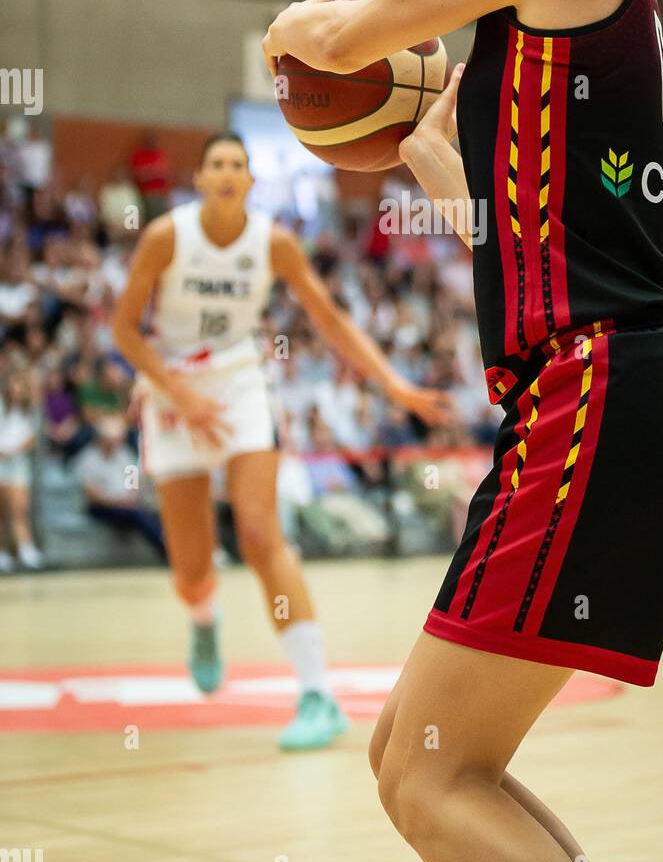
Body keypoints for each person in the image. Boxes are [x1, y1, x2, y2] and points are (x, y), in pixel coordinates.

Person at [264, 0, 663, 862]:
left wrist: (291, 39)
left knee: (430, 776)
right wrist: (422, 151)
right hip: (623, 396)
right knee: (415, 758)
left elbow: (337, 33)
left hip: (605, 396)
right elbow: (498, 217)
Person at [112, 132, 450, 750]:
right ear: (200, 178)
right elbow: (123, 329)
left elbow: (331, 320)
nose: (226, 173)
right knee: (190, 570)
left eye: (238, 165)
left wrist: (395, 386)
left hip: (241, 384)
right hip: (172, 392)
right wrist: (176, 393)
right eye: (215, 163)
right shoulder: (167, 237)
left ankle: (317, 693)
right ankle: (204, 619)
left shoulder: (273, 243)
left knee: (261, 534)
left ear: (249, 182)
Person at [74, 415, 166, 561]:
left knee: (151, 509)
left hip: (127, 505)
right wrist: (120, 502)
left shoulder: (125, 454)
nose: (116, 442)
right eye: (112, 439)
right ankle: (166, 549)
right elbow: (92, 496)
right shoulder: (87, 459)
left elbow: (133, 486)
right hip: (102, 508)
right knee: (138, 515)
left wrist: (129, 500)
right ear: (101, 439)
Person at [0, 370, 41, 572]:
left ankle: (26, 550)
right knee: (1, 513)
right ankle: (3, 554)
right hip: (1, 464)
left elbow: (31, 439)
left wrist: (14, 451)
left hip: (17, 465)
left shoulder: (29, 410)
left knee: (19, 511)